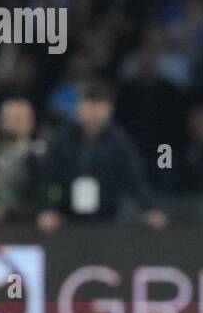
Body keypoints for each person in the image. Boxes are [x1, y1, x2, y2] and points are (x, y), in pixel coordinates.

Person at [35, 81, 167, 233]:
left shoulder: (119, 141)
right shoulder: (62, 138)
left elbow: (134, 178)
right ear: (79, 107)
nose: (93, 113)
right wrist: (47, 209)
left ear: (109, 109)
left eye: (99, 107)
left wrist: (149, 208)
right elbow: (47, 176)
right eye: (88, 106)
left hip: (107, 216)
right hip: (65, 216)